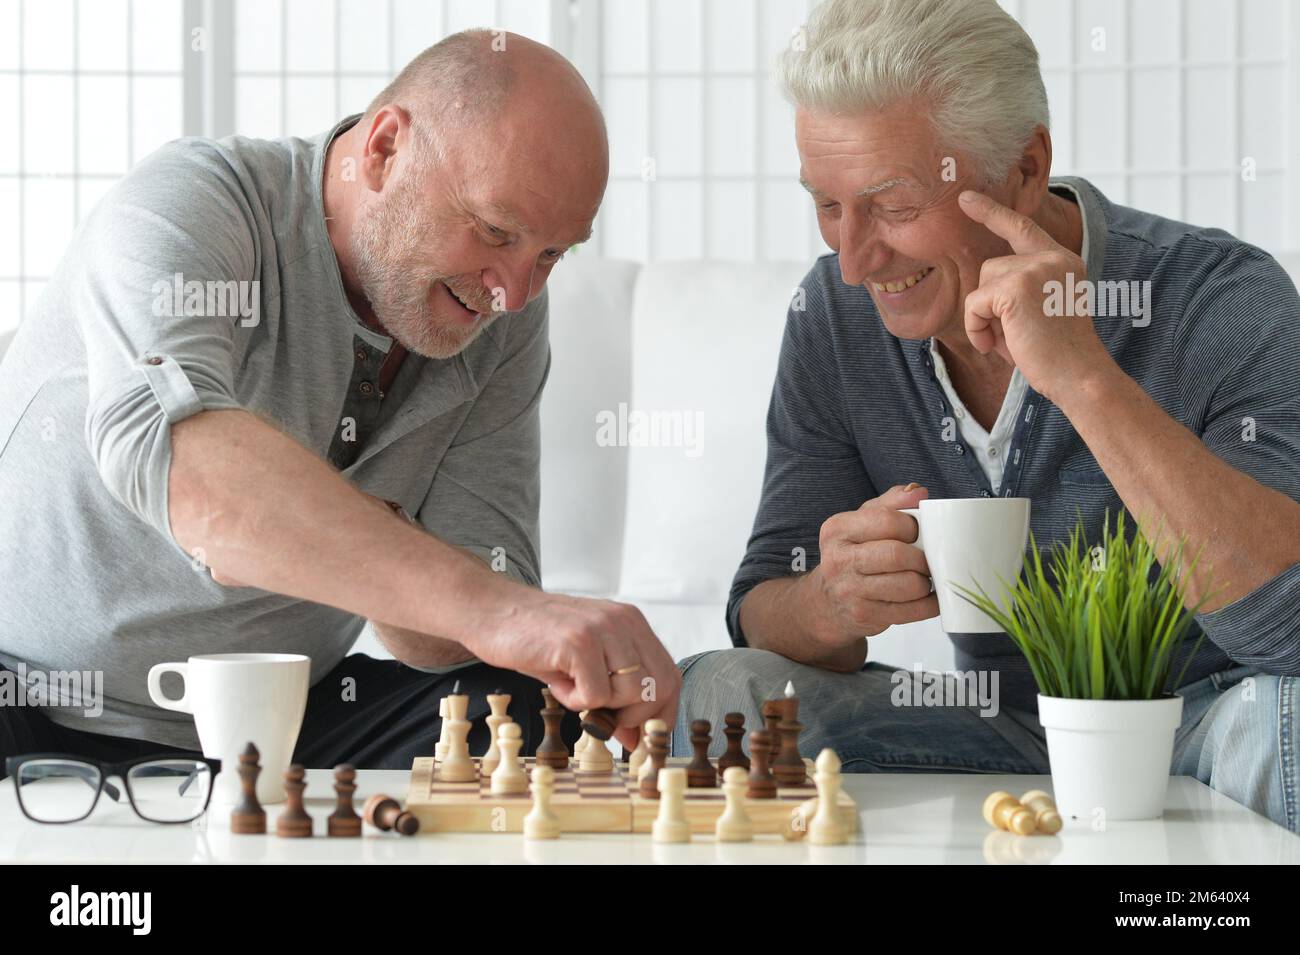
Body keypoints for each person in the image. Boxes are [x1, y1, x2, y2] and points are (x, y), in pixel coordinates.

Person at [675, 0, 1300, 832]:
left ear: (1024, 167)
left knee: (1286, 716)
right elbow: (758, 608)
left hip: (1195, 727)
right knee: (723, 686)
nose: (854, 259)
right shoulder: (834, 314)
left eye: (892, 205)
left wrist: (1084, 377)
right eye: (828, 204)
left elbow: (1288, 629)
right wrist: (831, 599)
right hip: (988, 723)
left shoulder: (1221, 298)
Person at [0, 30, 679, 774]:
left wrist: (490, 608)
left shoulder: (506, 321)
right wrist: (491, 605)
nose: (513, 292)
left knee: (514, 712)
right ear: (385, 149)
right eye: (494, 230)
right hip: (28, 695)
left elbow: (470, 619)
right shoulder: (199, 201)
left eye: (552, 254)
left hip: (283, 718)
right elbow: (181, 466)